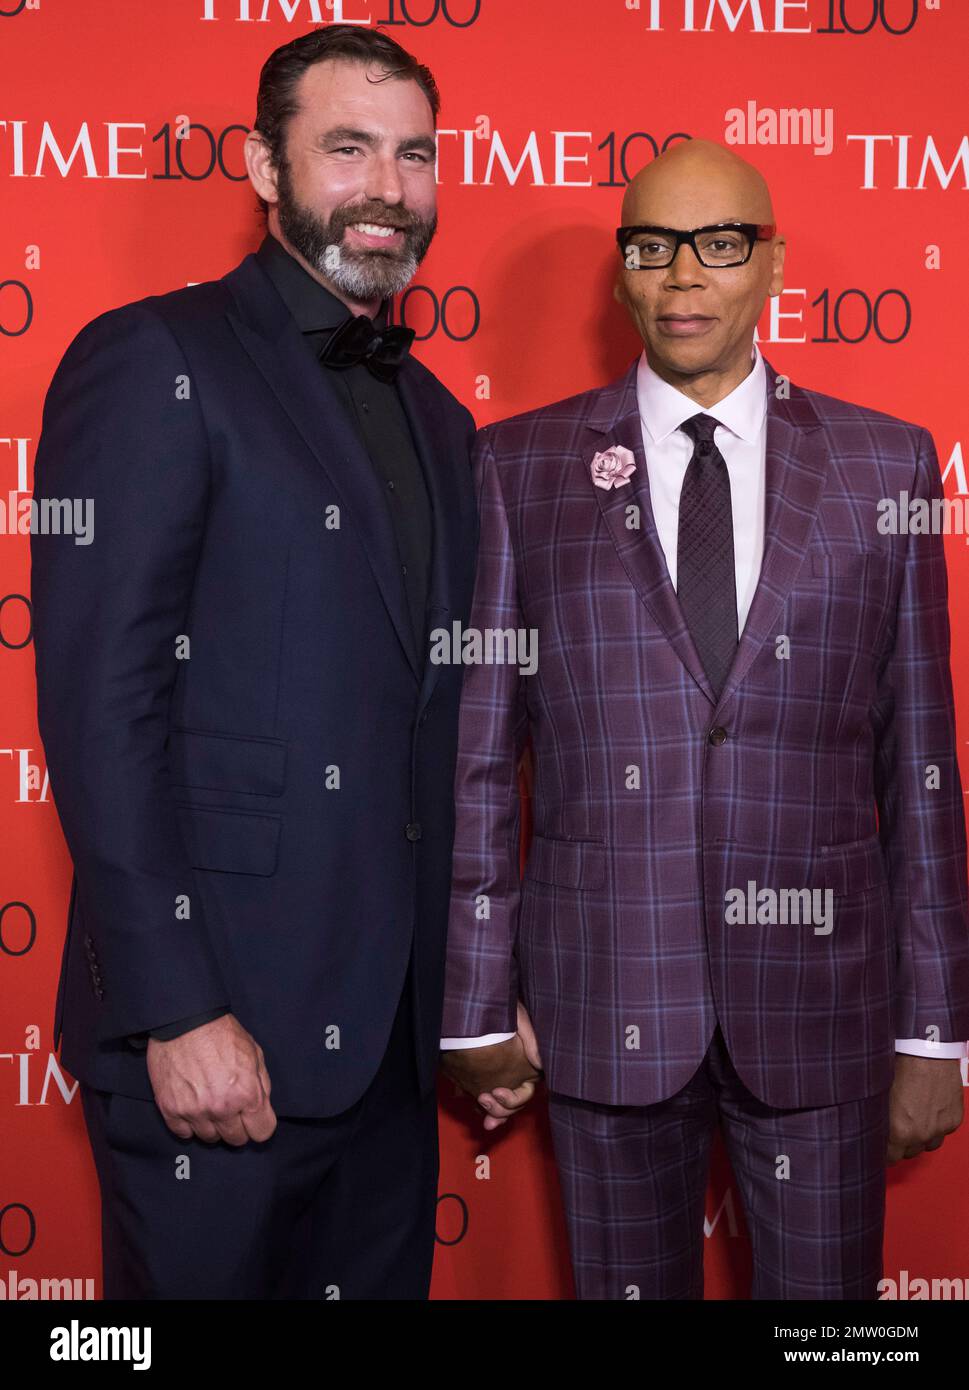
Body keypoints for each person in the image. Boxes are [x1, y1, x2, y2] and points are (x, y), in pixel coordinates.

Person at [440, 138, 969, 1300]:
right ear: (621, 272)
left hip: (824, 1007)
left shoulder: (888, 463)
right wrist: (473, 999)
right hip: (604, 1000)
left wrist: (936, 1029)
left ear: (772, 264)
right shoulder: (520, 468)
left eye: (720, 246)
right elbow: (480, 759)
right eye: (652, 248)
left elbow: (921, 756)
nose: (684, 278)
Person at [31, 24, 477, 1300]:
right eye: (349, 149)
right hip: (217, 1038)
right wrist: (175, 1011)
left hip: (389, 1055)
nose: (389, 189)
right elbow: (103, 704)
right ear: (265, 168)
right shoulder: (154, 360)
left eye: (414, 156)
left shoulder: (442, 421)